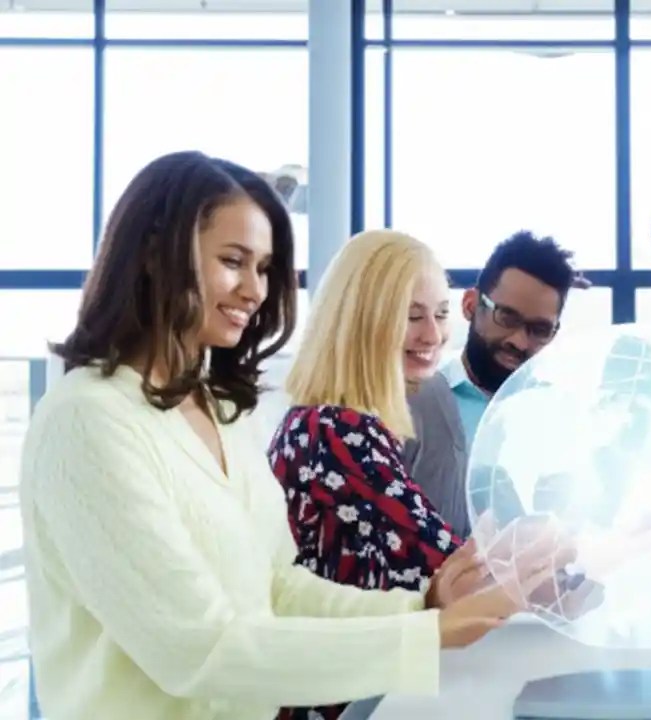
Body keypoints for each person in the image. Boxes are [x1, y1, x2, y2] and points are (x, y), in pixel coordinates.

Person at [18, 151, 533, 720]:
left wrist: (422, 605)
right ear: (151, 254)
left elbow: (277, 589)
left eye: (263, 268)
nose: (254, 291)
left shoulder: (220, 410)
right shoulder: (87, 422)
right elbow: (201, 648)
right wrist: (428, 635)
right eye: (233, 261)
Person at [268, 229, 483, 720]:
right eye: (412, 317)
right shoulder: (340, 433)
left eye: (441, 314)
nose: (433, 335)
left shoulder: (315, 422)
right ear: (364, 321)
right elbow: (454, 575)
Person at [403, 230, 579, 538]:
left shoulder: (560, 417)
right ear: (470, 305)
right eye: (507, 318)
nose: (519, 342)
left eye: (539, 329)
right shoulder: (415, 399)